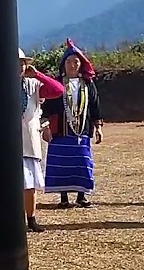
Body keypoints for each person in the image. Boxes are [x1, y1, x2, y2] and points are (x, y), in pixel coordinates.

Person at [43, 39, 102, 208]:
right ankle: (63, 198)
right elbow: (47, 106)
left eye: (75, 62)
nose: (72, 65)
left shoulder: (88, 84)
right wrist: (46, 126)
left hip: (81, 130)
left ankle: (81, 196)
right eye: (68, 62)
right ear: (63, 64)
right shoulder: (56, 84)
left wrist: (98, 127)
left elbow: (94, 105)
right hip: (60, 131)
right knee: (62, 164)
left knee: (82, 162)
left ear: (80, 64)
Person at [19, 49, 65, 232]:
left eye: (22, 63)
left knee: (29, 185)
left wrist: (37, 74)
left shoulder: (33, 84)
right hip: (6, 142)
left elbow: (58, 90)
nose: (19, 67)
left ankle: (31, 219)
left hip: (28, 140)